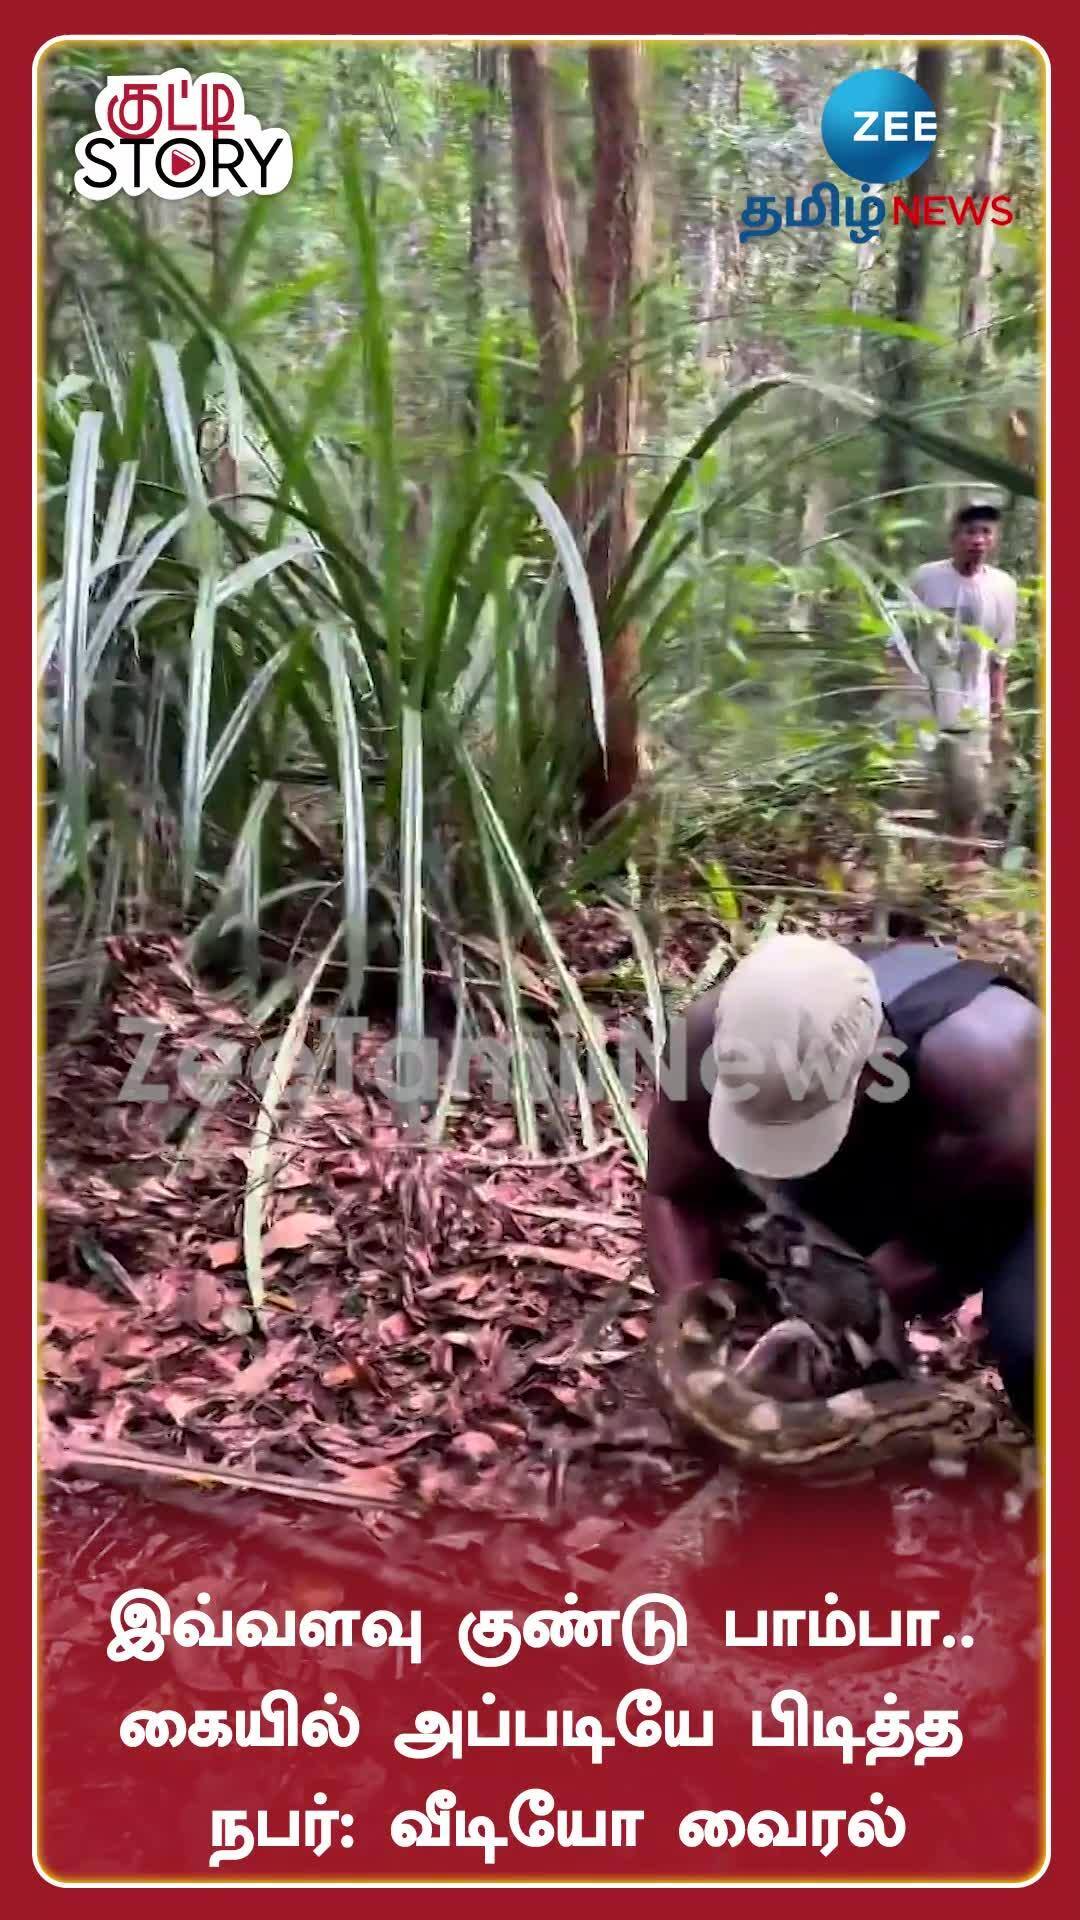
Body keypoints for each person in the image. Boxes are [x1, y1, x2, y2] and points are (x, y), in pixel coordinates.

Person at [643, 932, 1038, 1430]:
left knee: (1034, 1344)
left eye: (799, 1119)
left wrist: (830, 1326)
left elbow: (939, 1253)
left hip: (1025, 1183)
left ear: (875, 1070)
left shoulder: (994, 1068)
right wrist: (690, 1332)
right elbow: (675, 1196)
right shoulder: (704, 1040)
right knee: (741, 1252)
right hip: (900, 1153)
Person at [907, 500, 1018, 856]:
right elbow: (896, 643)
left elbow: (999, 656)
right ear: (953, 537)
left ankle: (961, 869)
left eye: (986, 532)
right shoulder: (926, 579)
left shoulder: (1003, 586)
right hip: (925, 704)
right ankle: (906, 869)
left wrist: (999, 713)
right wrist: (903, 695)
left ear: (995, 539)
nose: (978, 540)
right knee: (915, 791)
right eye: (970, 532)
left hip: (973, 708)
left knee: (969, 796)